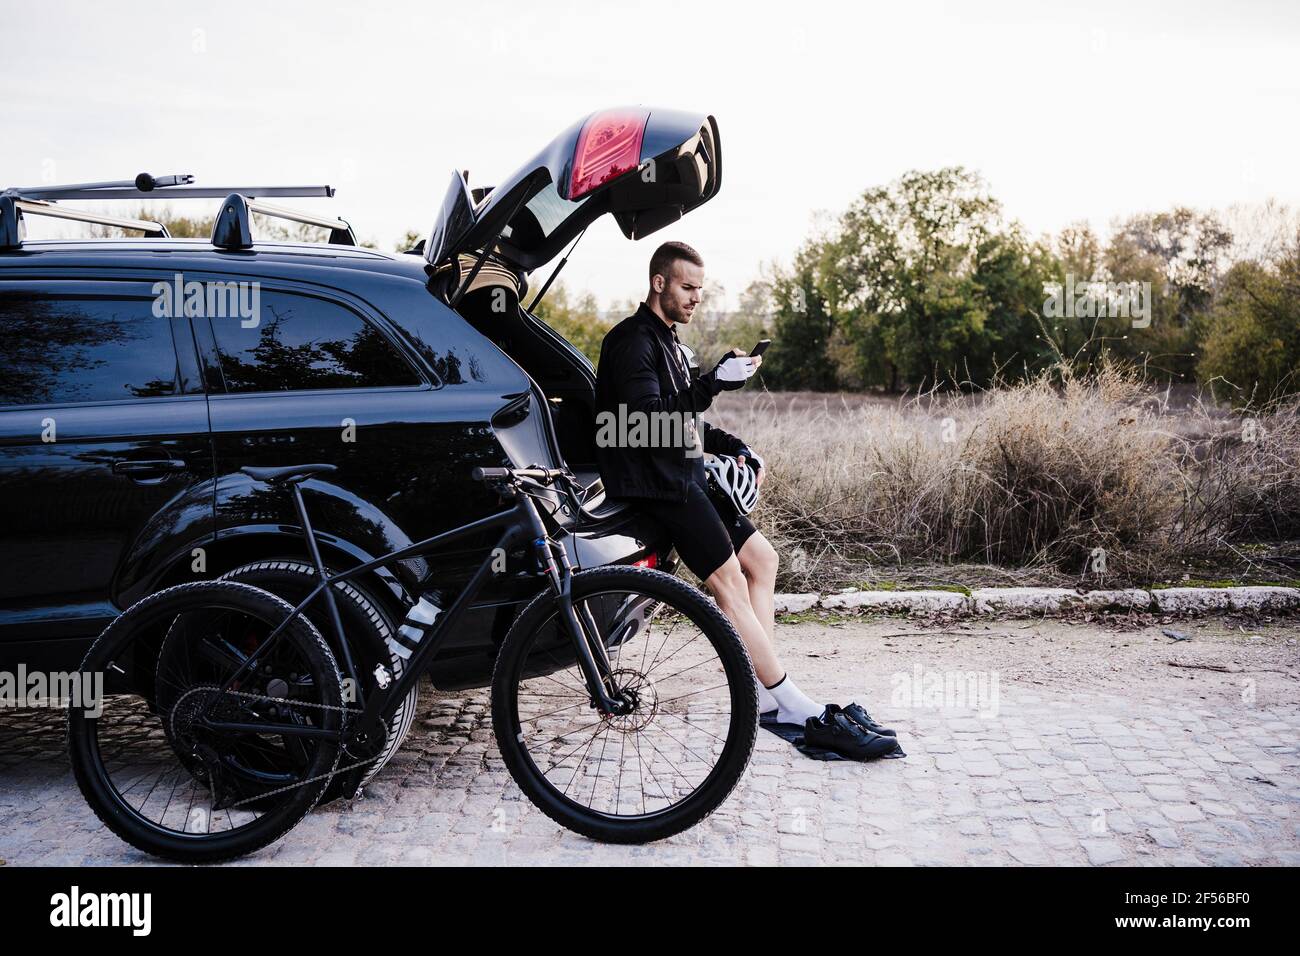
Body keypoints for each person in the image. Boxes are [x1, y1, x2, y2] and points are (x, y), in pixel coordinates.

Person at [593, 241, 898, 757]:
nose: (695, 299)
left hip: (683, 475)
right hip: (655, 485)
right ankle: (789, 699)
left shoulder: (669, 343)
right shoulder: (630, 342)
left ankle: (763, 690)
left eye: (700, 290)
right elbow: (646, 421)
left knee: (763, 559)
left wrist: (737, 448)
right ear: (659, 283)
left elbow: (685, 420)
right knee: (728, 580)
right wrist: (713, 382)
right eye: (687, 287)